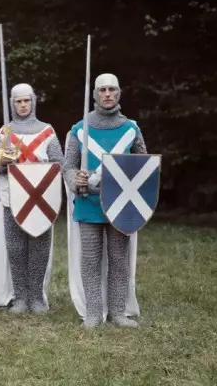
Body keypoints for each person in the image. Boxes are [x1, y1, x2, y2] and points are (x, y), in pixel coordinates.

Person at [63, 73, 147, 328]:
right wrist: (74, 178)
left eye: (112, 89)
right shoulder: (80, 129)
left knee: (119, 260)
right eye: (102, 90)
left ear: (119, 92)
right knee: (90, 261)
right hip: (89, 203)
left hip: (121, 206)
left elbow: (143, 165)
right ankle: (93, 313)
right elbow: (68, 166)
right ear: (95, 94)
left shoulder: (131, 128)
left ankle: (118, 312)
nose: (107, 94)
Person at [0, 83, 64, 313]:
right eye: (18, 101)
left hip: (41, 198)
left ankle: (36, 297)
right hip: (13, 197)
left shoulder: (46, 131)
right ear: (12, 103)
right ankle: (20, 297)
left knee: (39, 247)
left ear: (33, 101)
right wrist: (3, 163)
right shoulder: (4, 132)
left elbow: (59, 163)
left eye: (26, 100)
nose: (23, 105)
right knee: (16, 248)